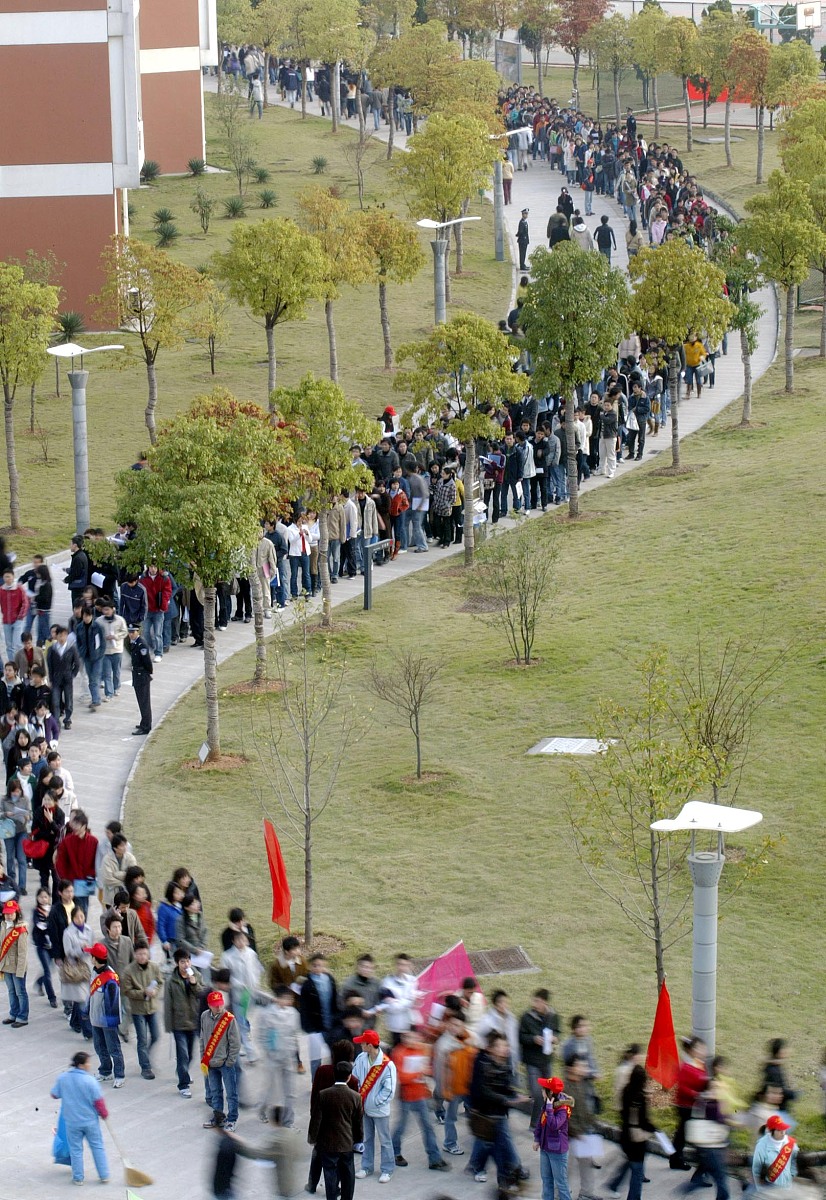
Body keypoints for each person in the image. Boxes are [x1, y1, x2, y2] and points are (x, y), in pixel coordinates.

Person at [467, 1030, 528, 1191]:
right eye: (500, 1046)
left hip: (499, 1113)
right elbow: (483, 1091)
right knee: (496, 1146)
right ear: (490, 1048)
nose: (504, 1048)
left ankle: (503, 1175)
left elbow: (505, 1086)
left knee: (496, 1146)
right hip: (487, 1114)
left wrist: (515, 1095)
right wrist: (506, 1099)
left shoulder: (505, 1061)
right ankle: (506, 1174)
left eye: (506, 1045)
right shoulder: (482, 1063)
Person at [391, 1029, 449, 1172]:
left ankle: (434, 1159)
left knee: (428, 1127)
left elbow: (428, 1070)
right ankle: (394, 1153)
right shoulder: (399, 1053)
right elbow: (401, 1077)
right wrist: (418, 1072)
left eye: (414, 1037)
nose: (412, 1040)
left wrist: (425, 1071)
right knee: (401, 1127)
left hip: (420, 1095)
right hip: (406, 1097)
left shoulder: (421, 1049)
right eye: (408, 1037)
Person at [213, 1106, 301, 1200]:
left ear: (273, 1121)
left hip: (284, 1186)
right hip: (294, 1182)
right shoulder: (292, 1135)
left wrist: (238, 1143)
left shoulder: (277, 1141)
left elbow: (256, 1153)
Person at [51, 1051, 110, 1186]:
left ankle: (78, 1178)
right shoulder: (90, 1081)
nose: (89, 1065)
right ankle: (104, 1175)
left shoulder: (63, 1078)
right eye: (88, 1062)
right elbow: (98, 1101)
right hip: (90, 1121)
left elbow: (54, 1094)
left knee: (76, 1149)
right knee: (97, 1147)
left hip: (72, 1122)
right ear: (81, 1065)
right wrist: (104, 1114)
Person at [309, 1059, 364, 1200]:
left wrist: (312, 1138)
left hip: (327, 1143)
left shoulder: (323, 1094)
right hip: (346, 1143)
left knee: (330, 1174)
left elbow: (316, 1119)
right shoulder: (355, 1097)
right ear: (349, 1076)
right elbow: (357, 1122)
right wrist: (358, 1140)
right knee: (348, 1175)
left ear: (334, 1075)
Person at [353, 1028, 397, 1183]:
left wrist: (375, 1102)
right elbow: (355, 1077)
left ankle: (387, 1169)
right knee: (367, 1139)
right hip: (364, 1108)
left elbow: (389, 1090)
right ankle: (366, 1167)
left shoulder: (387, 1065)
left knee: (385, 1140)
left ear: (369, 1045)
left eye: (362, 1043)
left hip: (379, 1110)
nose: (360, 1046)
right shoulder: (360, 1058)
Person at [608, 1063, 656, 1200]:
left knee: (632, 1165)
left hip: (625, 1136)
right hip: (637, 1142)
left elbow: (624, 1112)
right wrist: (654, 1128)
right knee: (637, 1174)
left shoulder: (626, 1090)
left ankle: (614, 1184)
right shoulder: (640, 1098)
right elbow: (644, 1122)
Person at [164, 947, 204, 1098]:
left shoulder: (197, 975)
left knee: (191, 1055)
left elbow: (202, 994)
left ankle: (182, 1071)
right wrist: (168, 1025)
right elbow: (168, 1004)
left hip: (193, 1021)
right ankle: (183, 1084)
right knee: (183, 1055)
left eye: (188, 961)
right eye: (182, 962)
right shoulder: (171, 981)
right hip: (179, 1023)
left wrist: (194, 983)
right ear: (177, 963)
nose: (186, 965)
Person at [258, 985, 300, 1126]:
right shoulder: (266, 1014)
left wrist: (295, 1055)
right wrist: (270, 1052)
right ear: (277, 999)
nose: (289, 1002)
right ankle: (262, 1109)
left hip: (289, 1057)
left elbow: (294, 1035)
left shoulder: (294, 1014)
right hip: (273, 1057)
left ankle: (288, 1120)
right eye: (286, 998)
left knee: (290, 1091)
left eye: (291, 999)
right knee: (271, 1089)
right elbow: (262, 1036)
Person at [85, 940, 125, 1087]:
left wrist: (109, 1021)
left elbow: (112, 1003)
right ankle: (105, 1070)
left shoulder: (111, 979)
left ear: (96, 959)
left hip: (108, 1021)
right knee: (99, 1046)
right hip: (95, 1018)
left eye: (92, 956)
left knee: (113, 1048)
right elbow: (91, 994)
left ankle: (119, 1074)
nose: (90, 958)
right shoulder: (94, 972)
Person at [123, 940, 163, 1080]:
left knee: (156, 1035)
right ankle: (145, 1067)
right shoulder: (129, 971)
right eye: (139, 954)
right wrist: (143, 993)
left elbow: (160, 981)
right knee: (142, 1038)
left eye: (144, 953)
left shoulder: (154, 967)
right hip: (138, 1009)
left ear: (148, 954)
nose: (142, 956)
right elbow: (127, 991)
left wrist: (155, 991)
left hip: (152, 1007)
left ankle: (146, 1054)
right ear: (135, 955)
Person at [201, 989, 241, 1131]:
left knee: (231, 1093)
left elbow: (235, 1043)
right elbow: (203, 1038)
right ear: (209, 1005)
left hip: (225, 1063)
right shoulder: (204, 1017)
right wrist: (203, 1057)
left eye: (220, 1004)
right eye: (215, 1004)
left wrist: (229, 1061)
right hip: (210, 1062)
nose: (218, 1007)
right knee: (215, 1092)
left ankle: (232, 1119)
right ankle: (218, 1117)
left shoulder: (229, 1019)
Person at [520, 989, 560, 1126]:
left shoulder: (553, 1016)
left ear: (545, 1002)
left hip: (546, 1060)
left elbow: (558, 1031)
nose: (535, 1003)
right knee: (537, 1093)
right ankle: (535, 1123)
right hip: (532, 1061)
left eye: (539, 1001)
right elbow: (521, 1036)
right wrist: (533, 1039)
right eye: (535, 1000)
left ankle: (545, 1120)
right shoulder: (526, 1017)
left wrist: (555, 1038)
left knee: (548, 1093)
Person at [670, 1036, 709, 1171]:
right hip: (685, 1106)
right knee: (683, 1134)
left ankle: (676, 1158)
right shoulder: (687, 1066)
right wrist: (696, 1094)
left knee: (683, 1133)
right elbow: (681, 1086)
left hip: (693, 1105)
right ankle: (676, 1159)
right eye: (699, 1048)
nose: (703, 1051)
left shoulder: (699, 1064)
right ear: (692, 1050)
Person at [534, 1075, 573, 1200]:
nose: (541, 1091)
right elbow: (540, 1122)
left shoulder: (563, 1108)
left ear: (550, 1092)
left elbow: (554, 1125)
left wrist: (550, 1109)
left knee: (561, 1183)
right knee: (546, 1180)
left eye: (543, 1089)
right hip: (545, 1149)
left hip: (557, 1152)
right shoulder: (547, 1104)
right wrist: (536, 1139)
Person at [300, 952, 339, 1077]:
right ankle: (315, 1083)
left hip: (330, 1025)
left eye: (320, 965)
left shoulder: (330, 980)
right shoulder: (307, 985)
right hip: (315, 1028)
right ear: (310, 966)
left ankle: (335, 1081)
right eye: (315, 965)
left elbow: (335, 1001)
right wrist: (308, 1028)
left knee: (334, 1055)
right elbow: (304, 1008)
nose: (317, 968)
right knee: (315, 1059)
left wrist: (337, 1020)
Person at [55, 810, 98, 916]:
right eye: (74, 824)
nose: (75, 828)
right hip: (70, 882)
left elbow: (96, 862)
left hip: (85, 882)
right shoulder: (67, 841)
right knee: (68, 910)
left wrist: (91, 875)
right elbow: (60, 861)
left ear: (84, 825)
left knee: (83, 910)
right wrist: (64, 879)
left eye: (78, 825)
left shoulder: (93, 841)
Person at [62, 906, 94, 1036]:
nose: (80, 919)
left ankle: (74, 1022)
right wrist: (81, 949)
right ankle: (88, 1031)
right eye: (77, 917)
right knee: (82, 1001)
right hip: (75, 969)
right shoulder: (68, 933)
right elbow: (68, 952)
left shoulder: (89, 929)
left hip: (87, 967)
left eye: (82, 916)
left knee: (82, 998)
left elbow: (92, 945)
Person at [0, 897, 29, 1026]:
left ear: (17, 913)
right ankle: (13, 1013)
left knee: (20, 992)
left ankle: (22, 1017)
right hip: (6, 965)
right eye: (7, 913)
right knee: (11, 991)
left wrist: (20, 970)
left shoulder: (20, 930)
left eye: (11, 913)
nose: (9, 916)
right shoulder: (3, 925)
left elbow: (23, 953)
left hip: (18, 966)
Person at [381, 953, 421, 1045]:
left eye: (405, 965)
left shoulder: (413, 981)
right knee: (397, 1052)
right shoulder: (387, 983)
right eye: (399, 964)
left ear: (409, 966)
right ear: (396, 965)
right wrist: (410, 1001)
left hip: (411, 1023)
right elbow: (392, 1007)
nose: (402, 968)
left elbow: (418, 1001)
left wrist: (402, 1001)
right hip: (396, 1026)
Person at [46, 626, 80, 730]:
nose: (62, 638)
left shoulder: (71, 648)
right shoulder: (52, 649)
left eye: (64, 635)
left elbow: (77, 663)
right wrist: (51, 679)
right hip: (56, 679)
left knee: (68, 700)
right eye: (60, 635)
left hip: (67, 678)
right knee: (56, 701)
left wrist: (72, 674)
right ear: (56, 636)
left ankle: (68, 720)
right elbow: (49, 665)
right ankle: (56, 721)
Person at [752, 1114, 798, 1189]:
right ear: (771, 1131)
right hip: (768, 1184)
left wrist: (792, 1175)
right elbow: (757, 1167)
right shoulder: (762, 1145)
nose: (783, 1132)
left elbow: (793, 1162)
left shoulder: (790, 1143)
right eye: (779, 1130)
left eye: (783, 1129)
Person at [31, 887, 58, 1006]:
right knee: (47, 970)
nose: (43, 899)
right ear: (37, 898)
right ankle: (52, 997)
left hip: (52, 945)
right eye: (41, 896)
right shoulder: (36, 911)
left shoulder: (53, 910)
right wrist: (48, 924)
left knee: (50, 969)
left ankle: (39, 981)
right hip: (42, 945)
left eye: (45, 896)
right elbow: (38, 924)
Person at [97, 598, 127, 700]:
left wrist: (115, 636)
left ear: (113, 609)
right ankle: (108, 693)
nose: (106, 612)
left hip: (117, 649)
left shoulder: (120, 620)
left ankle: (116, 687)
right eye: (104, 610)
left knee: (116, 671)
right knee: (107, 673)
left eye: (108, 610)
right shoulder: (99, 621)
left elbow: (125, 632)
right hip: (105, 651)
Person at [126, 623, 153, 735]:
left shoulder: (141, 644)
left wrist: (147, 672)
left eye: (133, 632)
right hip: (137, 674)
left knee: (144, 702)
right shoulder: (135, 643)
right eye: (130, 632)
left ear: (138, 632)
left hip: (142, 675)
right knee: (141, 701)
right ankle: (144, 722)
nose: (131, 634)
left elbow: (147, 661)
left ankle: (146, 726)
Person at [759, 1040, 798, 1111]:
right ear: (779, 1052)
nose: (787, 1051)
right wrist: (794, 1094)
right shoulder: (774, 1070)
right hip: (776, 1109)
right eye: (784, 1049)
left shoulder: (773, 1065)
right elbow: (779, 1090)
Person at [1, 568, 29, 659]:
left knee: (17, 644)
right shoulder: (1, 590)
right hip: (6, 621)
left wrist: (20, 617)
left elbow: (25, 603)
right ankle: (12, 665)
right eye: (5, 577)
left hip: (17, 620)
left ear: (13, 577)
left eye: (9, 577)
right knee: (9, 645)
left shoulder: (19, 589)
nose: (7, 579)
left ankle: (21, 662)